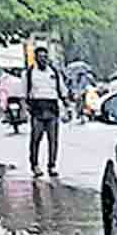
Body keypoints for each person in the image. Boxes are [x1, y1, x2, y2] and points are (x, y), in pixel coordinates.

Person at [24, 47, 66, 178]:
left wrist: (67, 104)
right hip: (37, 110)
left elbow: (62, 91)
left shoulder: (54, 72)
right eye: (40, 57)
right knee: (36, 139)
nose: (43, 59)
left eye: (45, 57)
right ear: (36, 58)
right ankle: (34, 165)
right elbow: (23, 93)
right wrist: (24, 109)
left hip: (52, 109)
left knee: (53, 140)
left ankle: (52, 165)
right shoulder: (29, 73)